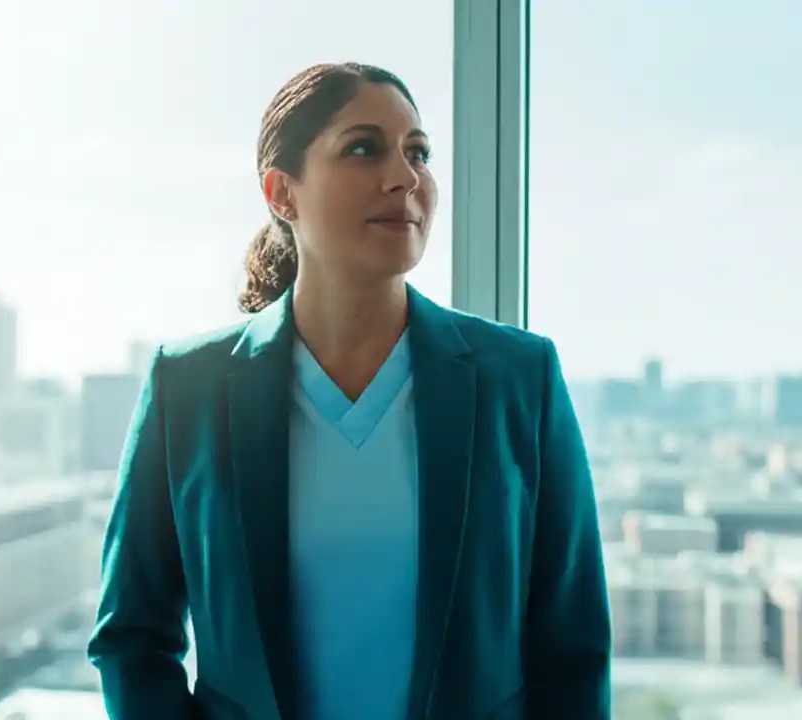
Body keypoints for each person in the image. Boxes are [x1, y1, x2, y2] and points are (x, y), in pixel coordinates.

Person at [87, 62, 611, 720]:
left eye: (417, 152)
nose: (406, 177)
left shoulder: (519, 380)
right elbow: (132, 637)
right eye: (364, 148)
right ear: (282, 193)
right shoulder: (189, 389)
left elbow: (572, 647)